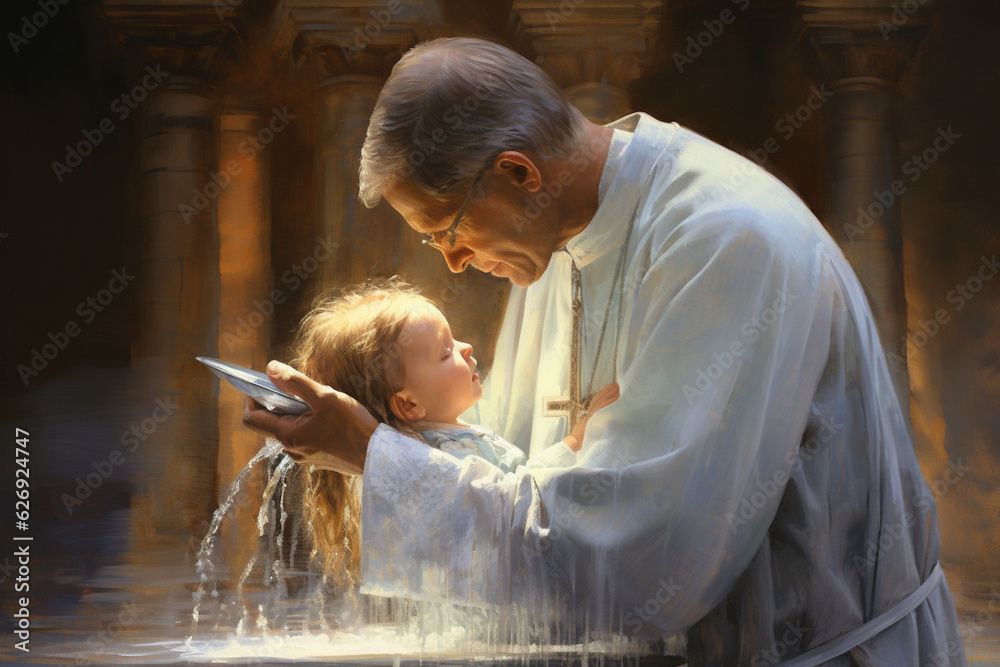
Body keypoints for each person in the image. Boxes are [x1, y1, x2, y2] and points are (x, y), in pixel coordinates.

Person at [245, 37, 967, 665]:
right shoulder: (551, 249)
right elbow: (524, 476)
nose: (454, 261)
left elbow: (640, 562)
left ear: (519, 173)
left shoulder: (724, 242)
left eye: (447, 229)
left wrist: (378, 454)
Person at [283, 278, 620, 586]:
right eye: (446, 352)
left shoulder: (448, 440)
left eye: (453, 337)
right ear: (410, 405)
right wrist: (574, 442)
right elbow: (507, 502)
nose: (466, 347)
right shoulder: (443, 458)